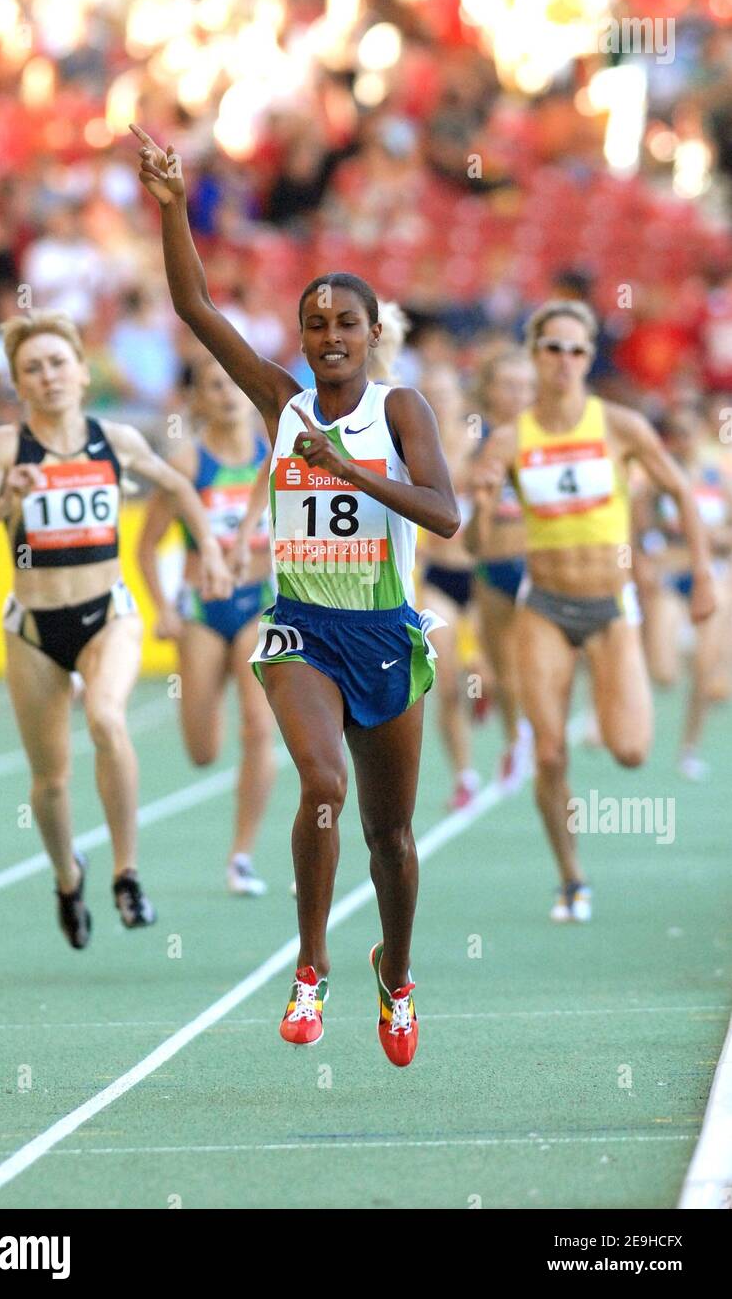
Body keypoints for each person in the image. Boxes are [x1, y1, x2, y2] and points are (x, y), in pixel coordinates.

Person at [132, 122, 460, 1067]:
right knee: (321, 780)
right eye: (313, 324)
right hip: (302, 631)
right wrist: (172, 203)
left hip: (387, 633)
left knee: (389, 835)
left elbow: (443, 516)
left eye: (344, 324)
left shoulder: (400, 410)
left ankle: (392, 974)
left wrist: (347, 472)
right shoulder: (281, 405)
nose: (327, 338)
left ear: (370, 334)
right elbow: (195, 306)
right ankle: (309, 963)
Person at [0, 310, 231, 950]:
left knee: (107, 718)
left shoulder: (116, 440)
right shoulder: (3, 445)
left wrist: (209, 550)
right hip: (33, 629)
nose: (47, 377)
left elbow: (182, 486)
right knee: (49, 778)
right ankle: (66, 876)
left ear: (82, 371)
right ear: (19, 383)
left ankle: (126, 873)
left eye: (57, 363)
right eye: (32, 368)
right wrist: (5, 502)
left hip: (108, 614)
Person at [468, 300, 716, 923]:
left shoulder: (621, 425)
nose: (565, 361)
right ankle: (571, 877)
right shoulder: (508, 438)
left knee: (630, 749)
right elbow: (471, 545)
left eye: (577, 350)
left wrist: (705, 575)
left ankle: (603, 706)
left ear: (589, 358)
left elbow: (681, 491)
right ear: (535, 354)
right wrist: (480, 502)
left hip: (610, 604)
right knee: (549, 755)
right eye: (552, 347)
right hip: (545, 604)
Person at [137, 353, 277, 895]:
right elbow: (146, 548)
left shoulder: (275, 455)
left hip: (262, 601)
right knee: (202, 752)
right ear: (197, 399)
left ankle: (241, 855)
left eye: (233, 384)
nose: (226, 394)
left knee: (259, 728)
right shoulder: (189, 465)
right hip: (201, 607)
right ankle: (208, 685)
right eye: (213, 386)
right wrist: (163, 608)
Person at [634, 404, 732, 779]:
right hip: (670, 579)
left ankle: (689, 748)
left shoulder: (716, 477)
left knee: (705, 672)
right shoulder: (657, 482)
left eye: (688, 432)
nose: (682, 440)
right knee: (663, 673)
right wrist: (643, 562)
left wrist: (713, 538)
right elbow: (638, 533)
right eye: (675, 433)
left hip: (710, 577)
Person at [466, 347, 536, 787]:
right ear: (489, 389)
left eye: (527, 385)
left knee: (536, 660)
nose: (519, 394)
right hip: (489, 563)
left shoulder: (544, 434)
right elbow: (452, 477)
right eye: (509, 384)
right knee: (501, 667)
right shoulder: (473, 434)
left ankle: (543, 733)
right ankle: (515, 738)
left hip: (537, 564)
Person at [417, 364, 481, 809]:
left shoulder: (483, 442)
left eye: (445, 394)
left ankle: (494, 693)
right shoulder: (415, 448)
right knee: (448, 681)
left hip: (482, 576)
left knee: (489, 674)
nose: (438, 403)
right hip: (439, 574)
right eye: (430, 396)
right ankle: (465, 774)